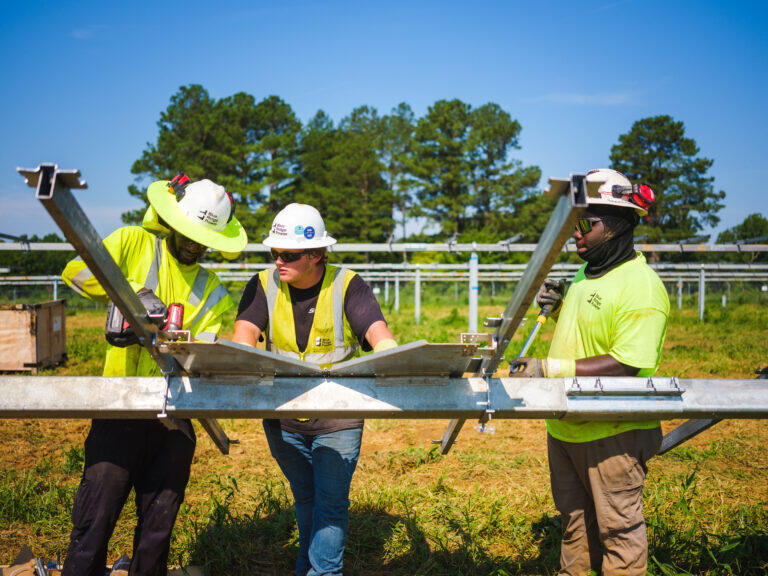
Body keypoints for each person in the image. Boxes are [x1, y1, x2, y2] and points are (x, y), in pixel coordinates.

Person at [61, 175, 247, 576]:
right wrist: (125, 294)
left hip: (176, 415)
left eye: (203, 240)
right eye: (188, 235)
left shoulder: (213, 289)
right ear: (172, 221)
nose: (194, 245)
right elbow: (74, 272)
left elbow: (207, 350)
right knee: (95, 519)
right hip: (121, 405)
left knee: (158, 529)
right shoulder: (132, 243)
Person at [510, 169, 669, 575]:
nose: (575, 234)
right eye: (573, 225)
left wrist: (548, 369)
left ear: (616, 226)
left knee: (619, 534)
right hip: (567, 427)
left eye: (585, 224)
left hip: (611, 433)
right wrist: (564, 304)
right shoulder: (586, 272)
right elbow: (586, 331)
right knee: (574, 528)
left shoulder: (641, 286)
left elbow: (626, 363)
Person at [233, 203, 397, 576]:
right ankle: (306, 566)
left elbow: (377, 332)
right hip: (283, 417)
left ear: (317, 254)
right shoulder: (262, 284)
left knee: (331, 501)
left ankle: (323, 572)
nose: (278, 261)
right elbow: (244, 334)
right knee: (305, 497)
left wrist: (392, 355)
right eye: (274, 252)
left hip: (338, 418)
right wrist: (241, 359)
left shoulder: (347, 284)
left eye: (288, 254)